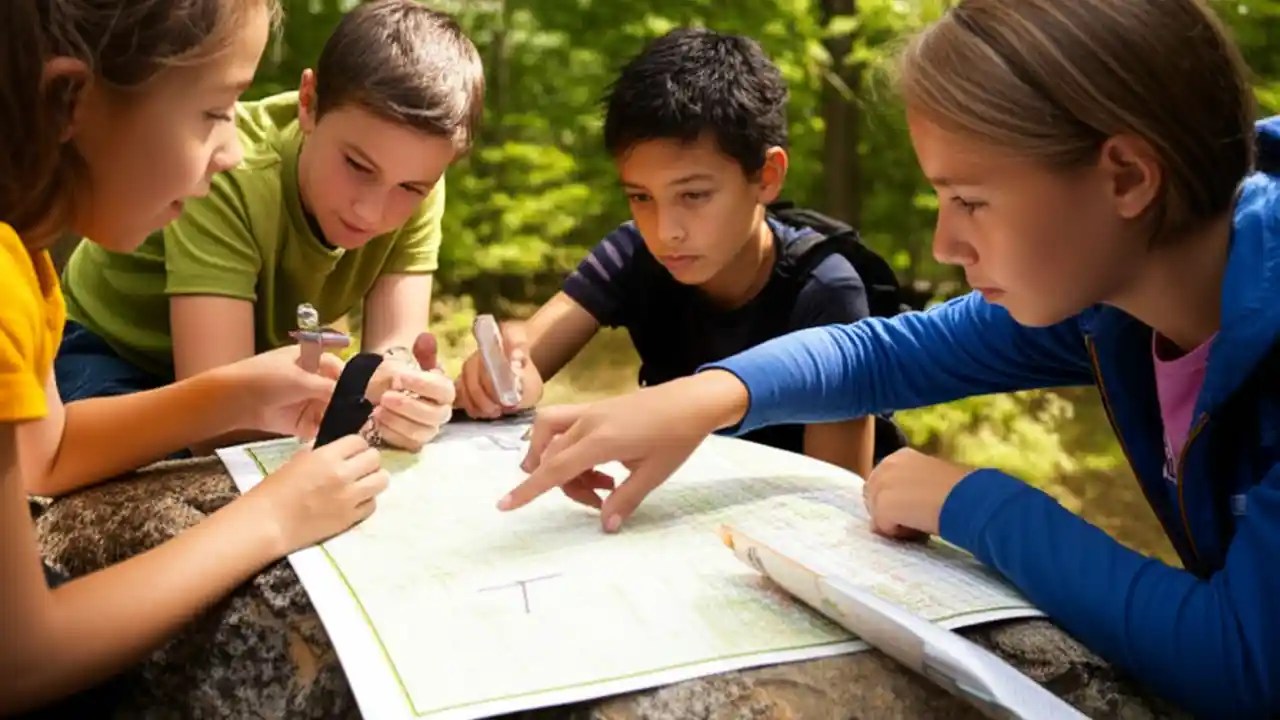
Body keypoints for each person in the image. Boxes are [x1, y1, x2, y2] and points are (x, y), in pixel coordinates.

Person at [495, 1, 1280, 715]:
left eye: (970, 200)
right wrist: (704, 397)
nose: (944, 243)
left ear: (1127, 177)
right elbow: (883, 352)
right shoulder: (1110, 303)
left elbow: (1243, 664)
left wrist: (973, 502)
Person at [0, 0, 444, 713]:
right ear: (69, 100)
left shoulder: (20, 256)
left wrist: (236, 391)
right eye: (213, 112)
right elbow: (18, 660)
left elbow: (46, 457)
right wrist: (272, 516)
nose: (234, 147)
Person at [454, 28, 886, 482]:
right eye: (641, 197)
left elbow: (833, 500)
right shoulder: (632, 253)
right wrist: (504, 379)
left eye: (694, 195)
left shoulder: (826, 293)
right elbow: (526, 363)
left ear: (767, 175)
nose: (665, 232)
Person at [54, 0, 481, 455]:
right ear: (309, 104)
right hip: (109, 355)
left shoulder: (417, 182)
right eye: (357, 165)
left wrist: (407, 399)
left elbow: (390, 356)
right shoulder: (225, 170)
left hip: (242, 379)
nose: (371, 211)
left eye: (411, 188)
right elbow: (216, 423)